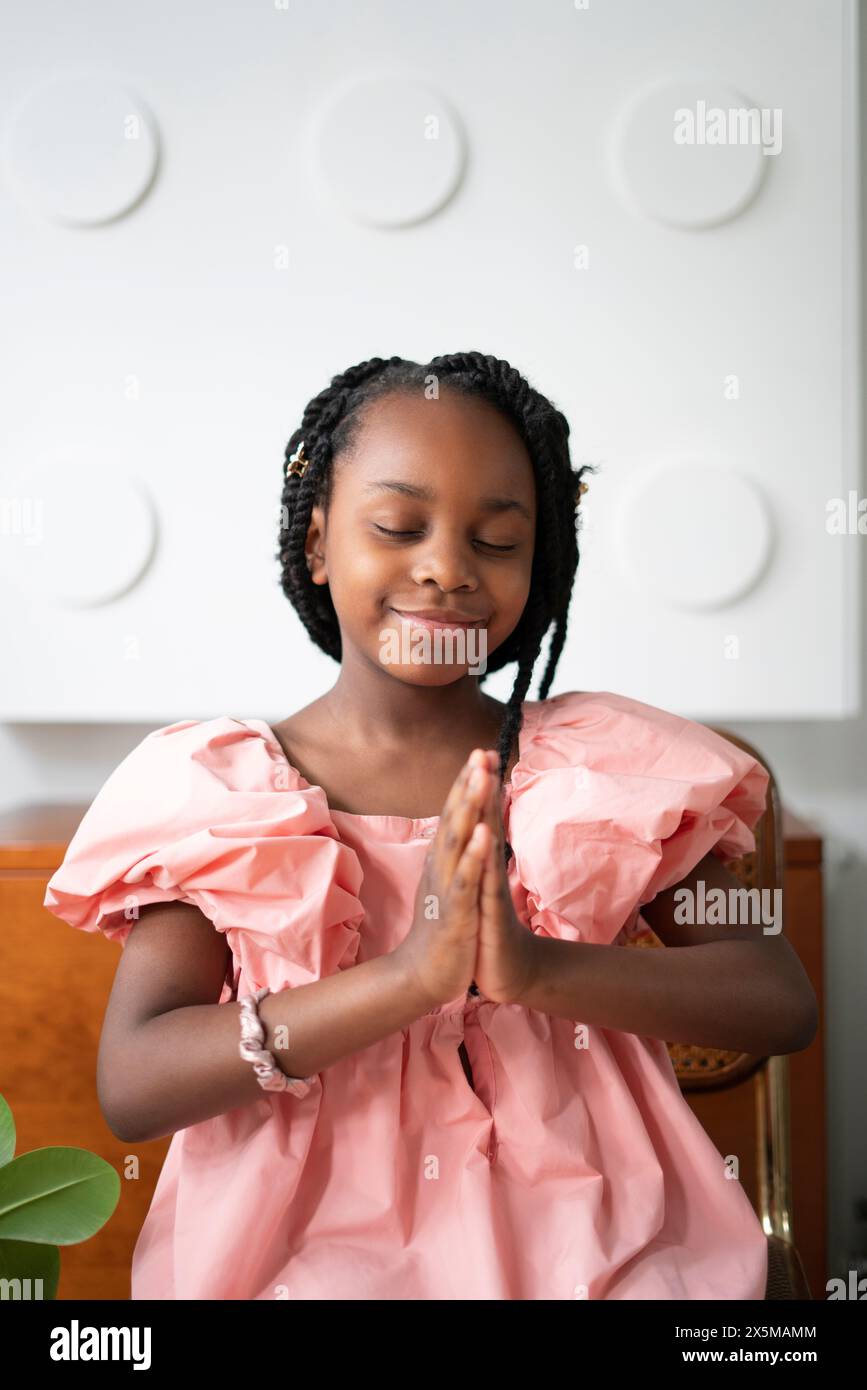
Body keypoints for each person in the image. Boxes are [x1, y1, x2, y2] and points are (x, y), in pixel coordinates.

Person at [43, 351, 818, 1300]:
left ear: (542, 566)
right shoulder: (230, 795)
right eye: (399, 526)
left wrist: (532, 970)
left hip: (605, 1253)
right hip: (304, 1259)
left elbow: (776, 1001)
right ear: (320, 543)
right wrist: (408, 978)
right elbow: (134, 1084)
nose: (447, 568)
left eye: (496, 541)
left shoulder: (599, 776)